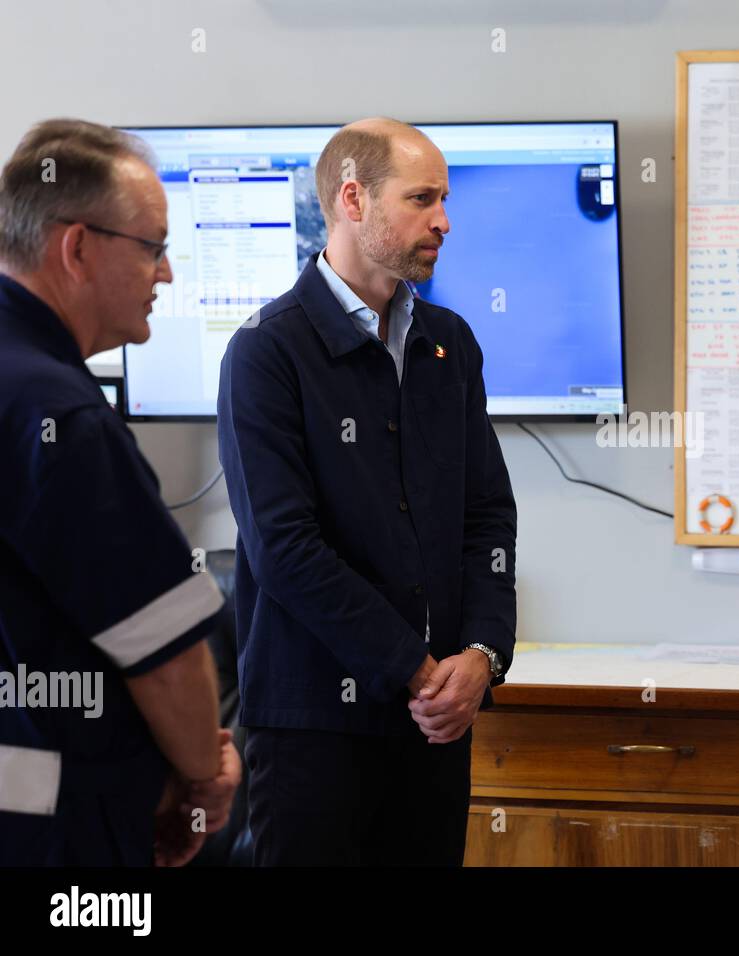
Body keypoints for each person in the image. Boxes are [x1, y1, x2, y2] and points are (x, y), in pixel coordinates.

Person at [218, 118, 518, 866]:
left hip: (435, 724)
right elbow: (285, 550)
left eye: (444, 199)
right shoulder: (267, 350)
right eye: (423, 199)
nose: (444, 221)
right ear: (352, 199)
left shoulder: (450, 343)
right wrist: (417, 671)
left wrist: (481, 654)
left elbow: (487, 516)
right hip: (314, 729)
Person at [0, 119, 240, 866]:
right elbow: (164, 650)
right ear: (76, 248)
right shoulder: (61, 415)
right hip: (59, 830)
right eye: (154, 246)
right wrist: (206, 778)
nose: (166, 274)